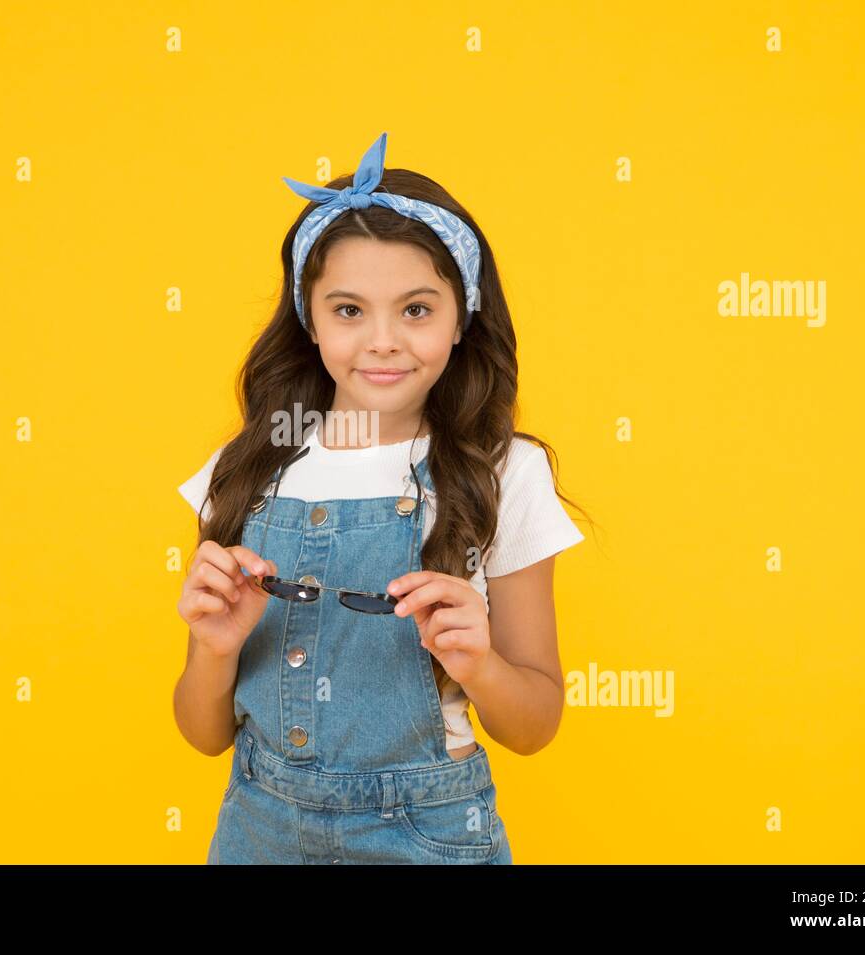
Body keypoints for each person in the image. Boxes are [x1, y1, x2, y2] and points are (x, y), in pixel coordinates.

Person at [173, 132, 592, 864]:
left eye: (418, 310)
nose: (384, 341)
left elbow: (535, 724)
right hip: (257, 833)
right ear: (309, 318)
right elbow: (203, 732)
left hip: (430, 837)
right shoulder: (243, 470)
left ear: (462, 317)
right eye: (348, 310)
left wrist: (479, 661)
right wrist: (215, 649)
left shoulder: (503, 472)